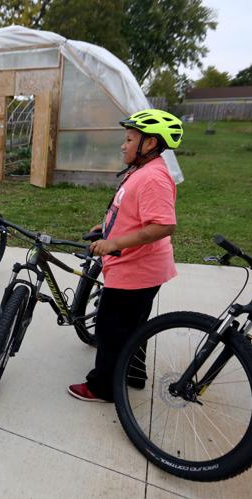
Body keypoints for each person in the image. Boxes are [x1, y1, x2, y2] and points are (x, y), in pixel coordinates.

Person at [68, 109, 182, 403]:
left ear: (150, 143)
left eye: (130, 139)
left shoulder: (153, 177)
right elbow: (130, 210)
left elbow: (163, 225)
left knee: (110, 329)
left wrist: (114, 242)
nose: (123, 144)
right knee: (131, 325)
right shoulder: (142, 171)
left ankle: (102, 387)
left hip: (136, 270)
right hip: (135, 267)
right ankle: (133, 372)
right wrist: (106, 226)